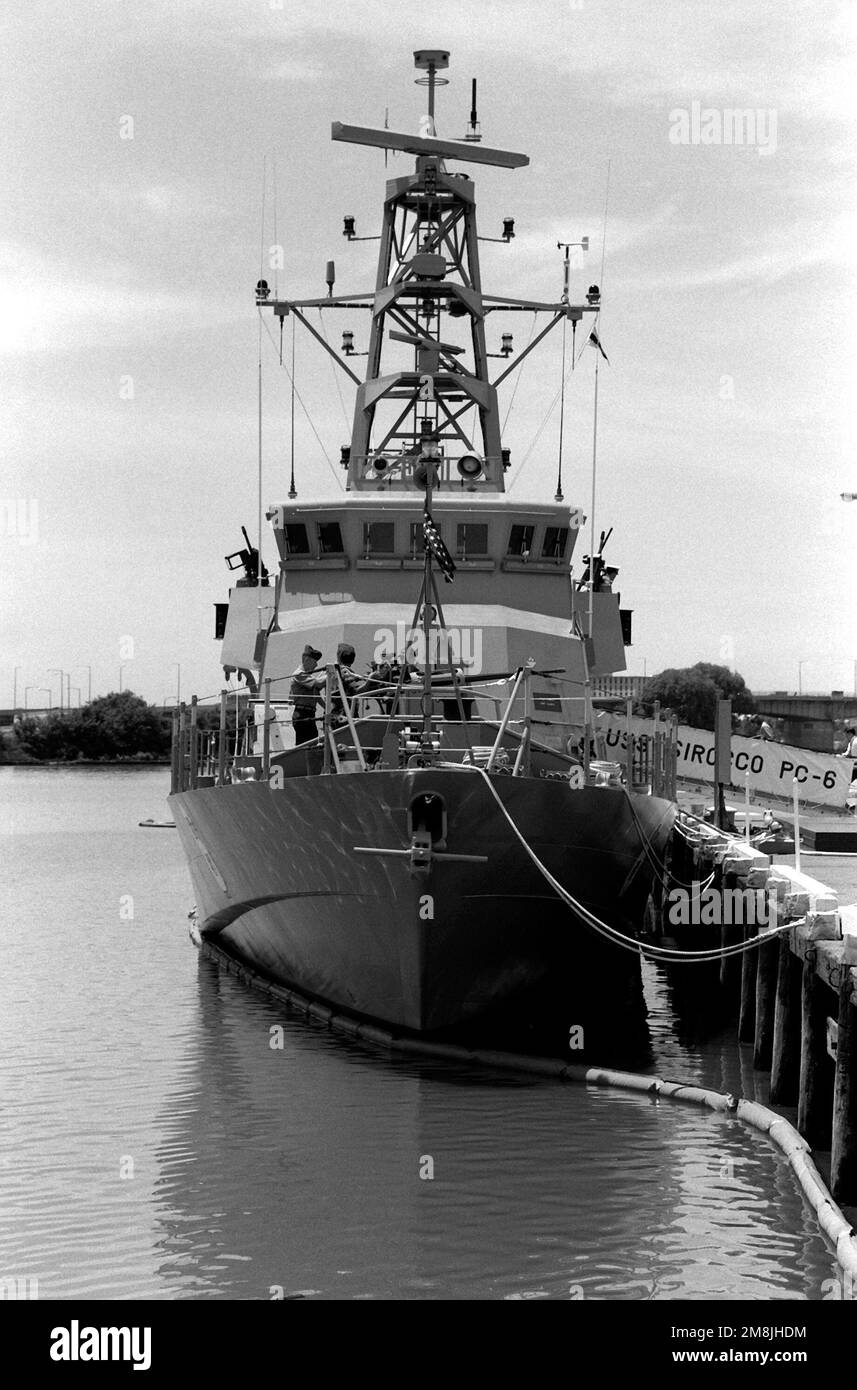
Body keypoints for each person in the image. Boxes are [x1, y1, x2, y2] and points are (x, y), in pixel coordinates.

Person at [289, 645, 325, 744]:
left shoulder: (308, 677)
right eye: (315, 662)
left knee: (313, 742)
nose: (316, 665)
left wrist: (327, 707)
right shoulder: (299, 674)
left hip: (309, 714)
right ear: (306, 660)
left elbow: (316, 694)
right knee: (304, 744)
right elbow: (318, 683)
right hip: (301, 714)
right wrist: (331, 673)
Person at [331, 643, 369, 726]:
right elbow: (357, 691)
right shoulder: (345, 671)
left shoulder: (333, 670)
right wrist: (370, 681)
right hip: (344, 716)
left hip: (336, 715)